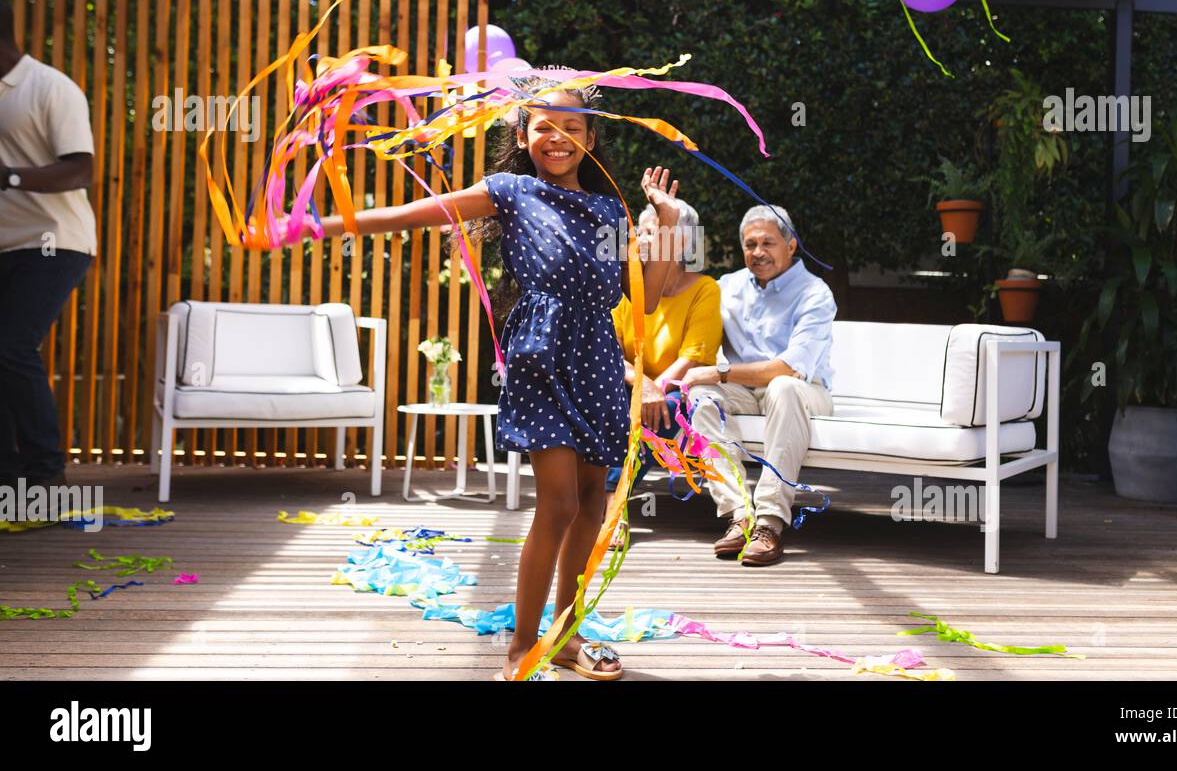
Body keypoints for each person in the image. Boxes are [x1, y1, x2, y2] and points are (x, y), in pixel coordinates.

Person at [318, 75, 679, 681]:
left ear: (591, 139)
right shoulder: (510, 190)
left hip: (595, 358)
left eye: (571, 128)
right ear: (522, 133)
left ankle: (567, 634)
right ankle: (520, 646)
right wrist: (327, 226)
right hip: (541, 356)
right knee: (558, 501)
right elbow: (413, 213)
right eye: (544, 126)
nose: (557, 138)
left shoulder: (608, 209)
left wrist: (664, 220)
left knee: (594, 498)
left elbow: (646, 296)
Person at [681, 204, 836, 567]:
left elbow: (789, 369)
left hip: (805, 391)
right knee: (701, 396)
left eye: (768, 242)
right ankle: (739, 516)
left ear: (791, 245)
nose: (758, 252)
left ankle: (769, 523)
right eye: (750, 245)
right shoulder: (727, 287)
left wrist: (718, 373)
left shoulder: (815, 293)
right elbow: (687, 319)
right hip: (746, 393)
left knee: (782, 386)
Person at [0, 0, 96, 491]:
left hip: (55, 242)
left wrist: (10, 179)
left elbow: (82, 168)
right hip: (4, 245)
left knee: (12, 345)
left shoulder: (49, 88)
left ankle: (46, 475)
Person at [605, 199, 721, 548]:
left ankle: (612, 507)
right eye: (640, 231)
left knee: (660, 408)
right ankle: (607, 503)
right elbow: (608, 353)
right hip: (632, 386)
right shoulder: (624, 289)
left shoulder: (705, 290)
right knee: (610, 400)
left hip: (677, 392)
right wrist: (643, 387)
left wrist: (652, 389)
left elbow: (692, 359)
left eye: (652, 232)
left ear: (680, 242)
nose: (639, 240)